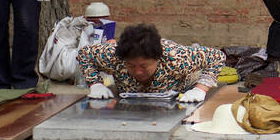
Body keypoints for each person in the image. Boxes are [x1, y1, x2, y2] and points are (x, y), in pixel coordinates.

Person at [78, 23, 222, 102]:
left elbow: (217, 56)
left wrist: (200, 89)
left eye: (144, 66)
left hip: (180, 87)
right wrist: (95, 84)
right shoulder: (113, 55)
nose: (138, 72)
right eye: (131, 66)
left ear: (158, 58)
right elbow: (84, 54)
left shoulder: (175, 56)